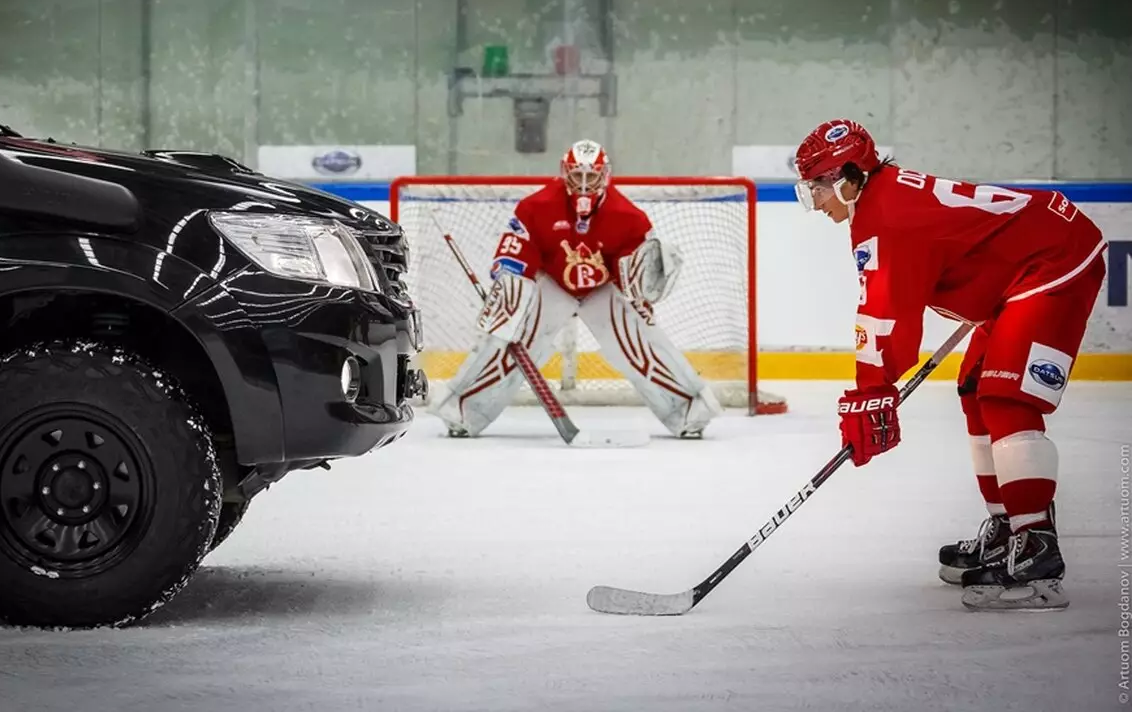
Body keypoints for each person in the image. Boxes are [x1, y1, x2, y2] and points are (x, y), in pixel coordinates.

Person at [793, 119, 1108, 611]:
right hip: (1023, 264)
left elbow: (885, 313)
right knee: (974, 389)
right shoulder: (879, 203)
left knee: (1007, 398)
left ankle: (1039, 552)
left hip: (1055, 259)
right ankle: (1008, 529)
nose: (816, 201)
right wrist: (871, 387)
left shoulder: (885, 217)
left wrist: (870, 389)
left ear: (851, 176)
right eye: (807, 188)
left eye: (820, 186)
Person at [430, 139, 721, 440]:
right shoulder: (537, 206)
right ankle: (462, 411)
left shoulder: (629, 217)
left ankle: (688, 412)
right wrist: (509, 285)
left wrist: (641, 294)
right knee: (510, 342)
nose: (583, 184)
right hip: (554, 285)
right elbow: (516, 252)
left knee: (640, 346)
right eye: (576, 175)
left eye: (591, 175)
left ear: (604, 175)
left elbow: (632, 276)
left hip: (601, 290)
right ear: (564, 172)